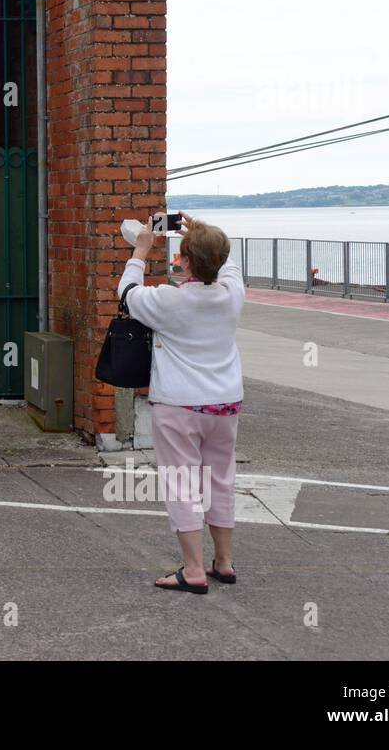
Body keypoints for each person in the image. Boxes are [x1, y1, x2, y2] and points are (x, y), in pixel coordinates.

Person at [118, 213, 244, 594]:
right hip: (225, 403)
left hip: (180, 404)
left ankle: (192, 570)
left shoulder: (169, 301)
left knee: (182, 484)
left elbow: (126, 292)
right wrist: (204, 231)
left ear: (184, 261)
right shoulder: (232, 295)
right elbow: (229, 260)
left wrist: (140, 249)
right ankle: (223, 562)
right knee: (221, 480)